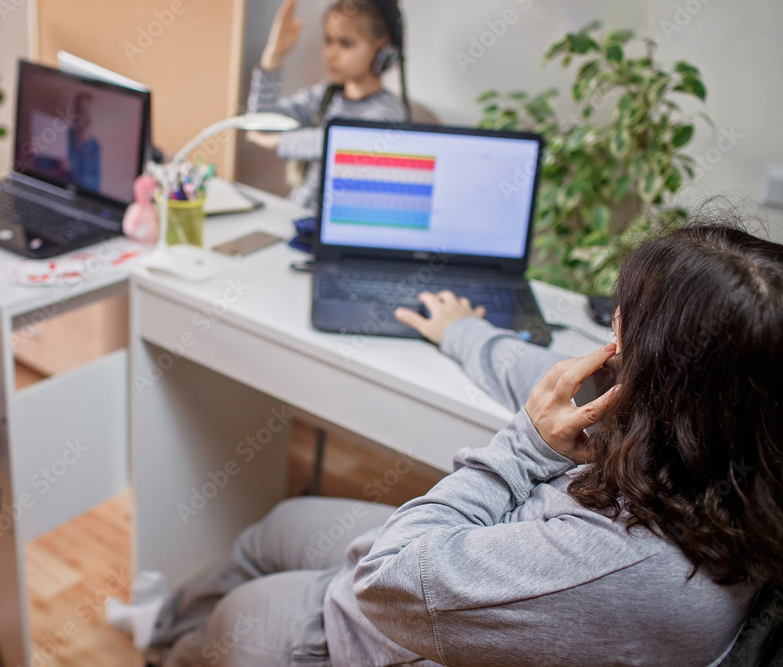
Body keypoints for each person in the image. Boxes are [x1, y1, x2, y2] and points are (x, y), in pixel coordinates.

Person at [110, 218, 783, 666]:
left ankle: (172, 650)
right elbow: (554, 384)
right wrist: (462, 331)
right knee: (276, 527)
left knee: (235, 620)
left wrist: (527, 446)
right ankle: (163, 621)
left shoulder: (625, 569)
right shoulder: (722, 448)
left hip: (372, 620)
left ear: (664, 379)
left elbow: (385, 579)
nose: (608, 343)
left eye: (622, 333)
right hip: (451, 575)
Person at [247, 0, 409, 211]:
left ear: (383, 52)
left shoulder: (388, 111)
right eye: (328, 41)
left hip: (340, 226)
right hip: (297, 213)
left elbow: (344, 142)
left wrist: (281, 141)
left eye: (345, 43)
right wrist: (273, 58)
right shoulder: (324, 95)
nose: (330, 54)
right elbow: (261, 122)